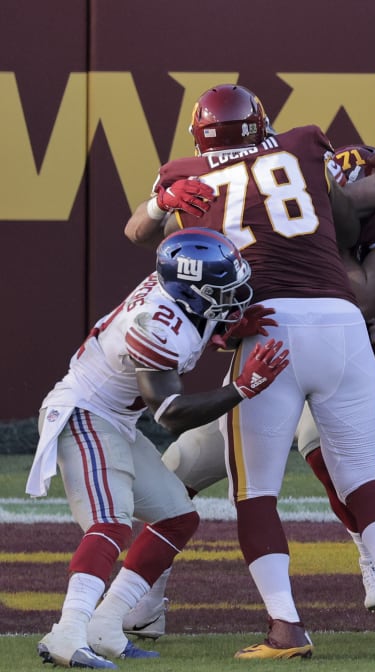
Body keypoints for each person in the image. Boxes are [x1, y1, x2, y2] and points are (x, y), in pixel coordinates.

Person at [122, 84, 375, 658]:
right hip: (341, 323)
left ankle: (286, 626)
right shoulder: (305, 144)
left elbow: (138, 234)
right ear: (262, 122)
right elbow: (342, 225)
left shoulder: (187, 172)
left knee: (256, 492)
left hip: (267, 329)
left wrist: (166, 201)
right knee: (364, 479)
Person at [28, 229, 289, 668]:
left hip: (117, 420)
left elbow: (194, 316)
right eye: (222, 291)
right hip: (85, 414)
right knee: (109, 524)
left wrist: (221, 329)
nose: (237, 296)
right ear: (192, 290)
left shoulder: (180, 295)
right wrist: (243, 388)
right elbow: (171, 413)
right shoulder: (156, 325)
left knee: (177, 517)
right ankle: (67, 632)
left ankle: (106, 625)